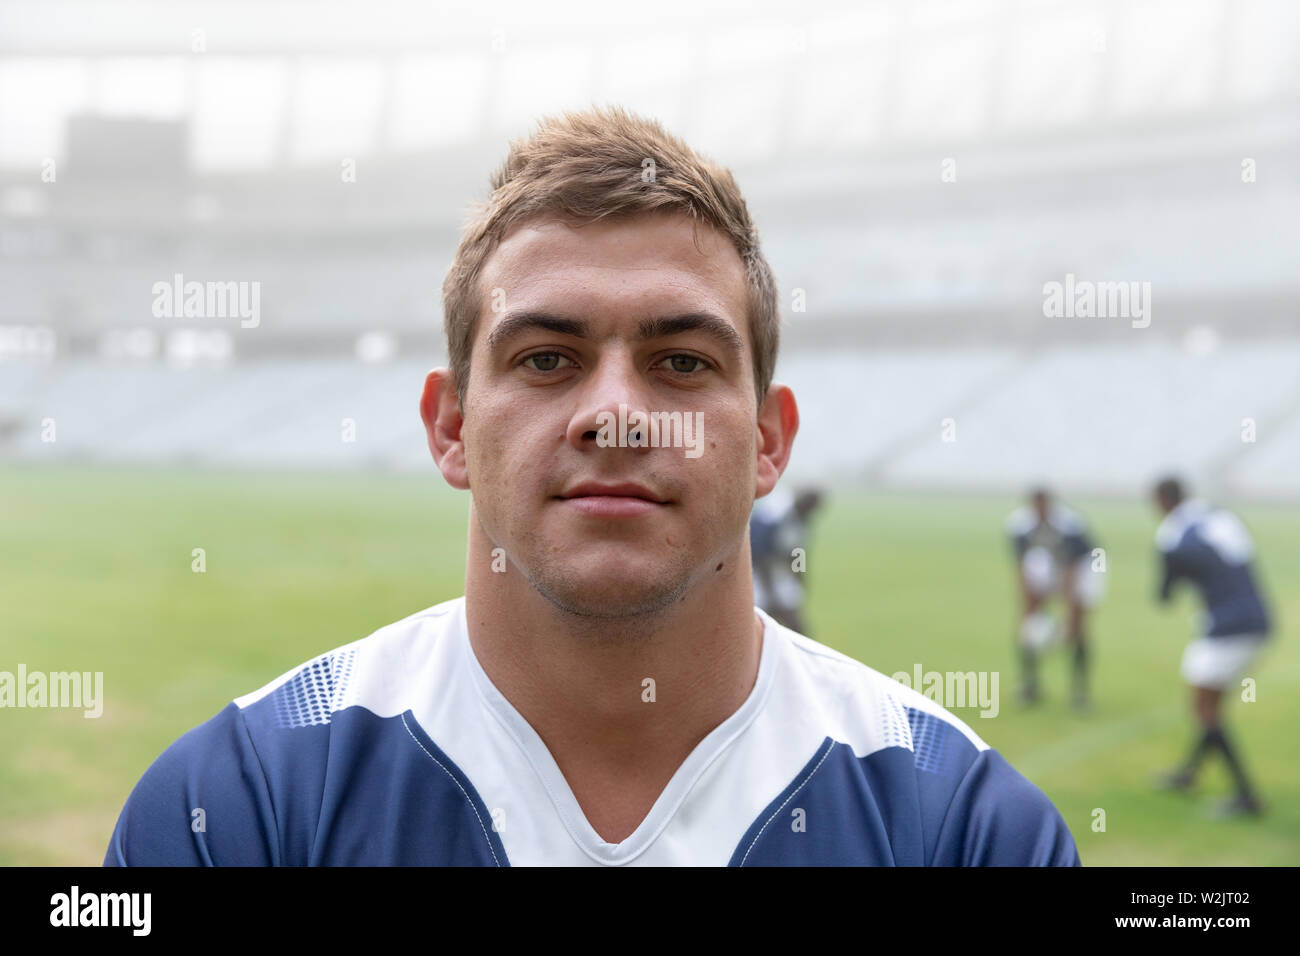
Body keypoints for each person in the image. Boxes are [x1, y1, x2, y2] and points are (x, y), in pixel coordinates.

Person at [103, 106, 1078, 866]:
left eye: (683, 363)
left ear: (771, 440)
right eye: (545, 357)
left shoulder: (965, 829)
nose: (613, 414)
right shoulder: (243, 809)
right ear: (449, 425)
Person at [1150, 477, 1272, 818]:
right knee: (1211, 707)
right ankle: (1187, 773)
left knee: (1204, 708)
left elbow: (1164, 596)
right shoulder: (1217, 515)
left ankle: (1247, 796)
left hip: (1226, 627)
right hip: (1257, 619)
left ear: (1161, 501)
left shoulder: (1172, 534)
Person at [1006, 488, 1103, 710]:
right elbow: (1021, 567)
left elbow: (1074, 567)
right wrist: (1031, 609)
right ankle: (1030, 686)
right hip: (1049, 562)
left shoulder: (1070, 526)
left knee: (1077, 627)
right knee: (1027, 622)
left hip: (1090, 564)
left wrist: (1067, 612)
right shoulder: (1019, 526)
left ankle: (1080, 692)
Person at [749, 485, 824, 634]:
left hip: (778, 570)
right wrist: (770, 591)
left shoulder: (803, 518)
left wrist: (799, 579)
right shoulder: (776, 514)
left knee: (794, 620)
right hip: (757, 571)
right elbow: (760, 554)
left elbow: (798, 552)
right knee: (763, 619)